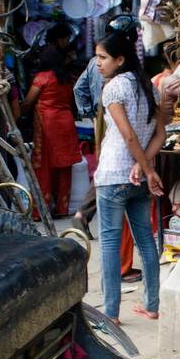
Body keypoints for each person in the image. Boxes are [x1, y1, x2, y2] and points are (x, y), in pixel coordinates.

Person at [92, 33, 164, 325]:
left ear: (119, 60)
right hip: (137, 176)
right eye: (97, 56)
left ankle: (110, 313)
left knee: (109, 242)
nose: (97, 63)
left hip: (114, 174)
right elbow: (159, 134)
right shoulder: (149, 86)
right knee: (145, 239)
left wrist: (144, 167)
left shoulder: (114, 88)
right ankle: (151, 305)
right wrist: (144, 167)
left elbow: (127, 135)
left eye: (103, 57)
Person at [22, 25, 82, 217]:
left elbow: (28, 103)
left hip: (48, 126)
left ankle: (40, 210)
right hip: (66, 123)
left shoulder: (42, 78)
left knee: (44, 166)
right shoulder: (67, 78)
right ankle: (61, 208)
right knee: (64, 167)